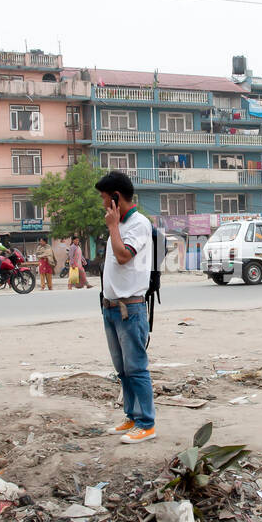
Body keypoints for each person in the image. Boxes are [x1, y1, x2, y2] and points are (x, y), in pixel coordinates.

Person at [94, 170, 156, 444]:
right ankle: (132, 415)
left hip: (130, 309)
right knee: (122, 369)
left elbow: (122, 256)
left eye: (104, 198)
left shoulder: (138, 224)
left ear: (116, 198)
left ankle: (146, 423)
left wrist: (112, 227)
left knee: (136, 368)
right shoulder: (121, 225)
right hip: (111, 307)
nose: (102, 204)